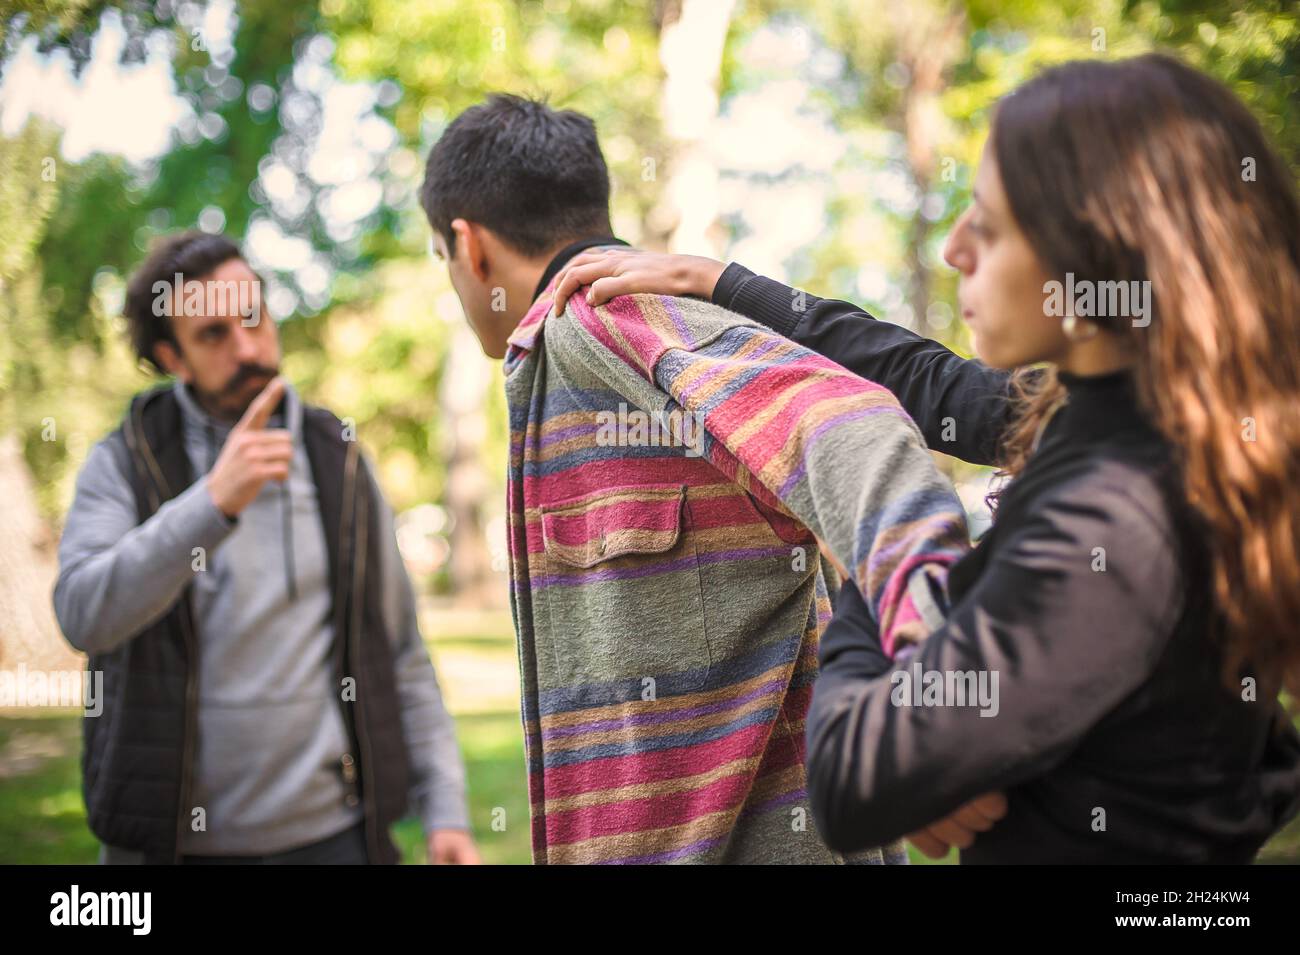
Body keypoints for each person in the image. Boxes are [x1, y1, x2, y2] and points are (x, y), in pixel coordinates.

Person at [549, 54, 1300, 863]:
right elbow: (933, 383)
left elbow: (848, 785)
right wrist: (721, 281)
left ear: (1096, 253)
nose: (953, 249)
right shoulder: (1152, 424)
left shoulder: (1114, 510)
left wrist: (870, 568)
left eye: (991, 224)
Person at [419, 93, 978, 863]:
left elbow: (855, 426)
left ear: (467, 245)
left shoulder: (612, 322)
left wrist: (935, 672)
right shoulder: (556, 361)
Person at [54, 231, 479, 864]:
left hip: (336, 840)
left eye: (254, 318)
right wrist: (211, 503)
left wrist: (445, 810)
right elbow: (83, 615)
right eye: (214, 334)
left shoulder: (339, 456)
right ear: (173, 357)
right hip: (172, 849)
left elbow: (402, 649)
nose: (248, 347)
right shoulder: (125, 459)